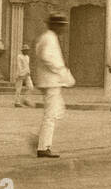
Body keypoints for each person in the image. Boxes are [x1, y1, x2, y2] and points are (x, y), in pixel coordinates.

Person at [32, 13, 74, 158]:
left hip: (49, 81)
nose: (63, 29)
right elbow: (47, 57)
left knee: (57, 111)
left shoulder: (47, 37)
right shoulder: (50, 38)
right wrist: (62, 72)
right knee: (50, 114)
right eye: (61, 25)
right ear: (54, 26)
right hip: (51, 82)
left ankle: (41, 140)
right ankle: (42, 147)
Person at [13, 43, 34, 108]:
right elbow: (19, 66)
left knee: (31, 87)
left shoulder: (27, 57)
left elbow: (27, 66)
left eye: (27, 50)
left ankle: (25, 99)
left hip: (27, 74)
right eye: (25, 50)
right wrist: (20, 74)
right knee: (18, 89)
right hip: (20, 74)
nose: (27, 51)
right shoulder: (19, 56)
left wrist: (28, 72)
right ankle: (17, 102)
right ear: (23, 51)